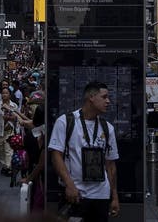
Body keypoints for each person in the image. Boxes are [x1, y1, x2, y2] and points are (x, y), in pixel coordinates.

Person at [49, 80, 119, 222]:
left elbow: (110, 165)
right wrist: (69, 185)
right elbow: (56, 156)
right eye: (104, 97)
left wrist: (115, 197)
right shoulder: (65, 122)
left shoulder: (108, 128)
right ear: (91, 97)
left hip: (101, 196)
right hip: (75, 194)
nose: (108, 101)